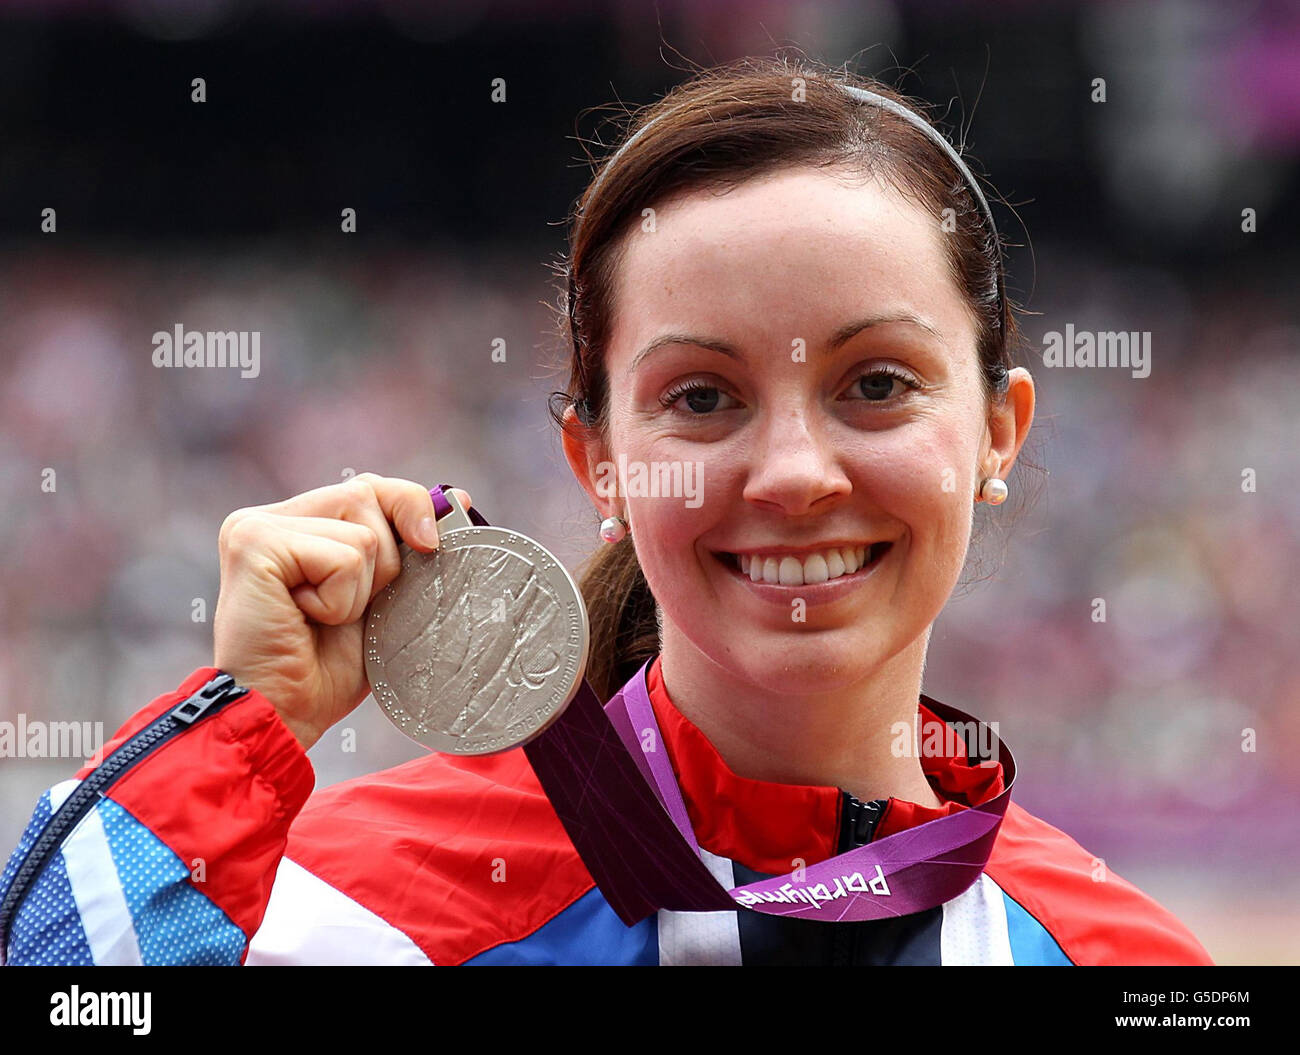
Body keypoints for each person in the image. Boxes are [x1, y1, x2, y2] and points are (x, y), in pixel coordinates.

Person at [0, 56, 1212, 966]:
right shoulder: (344, 914)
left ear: (998, 431)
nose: (793, 472)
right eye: (701, 394)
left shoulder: (1127, 962)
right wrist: (237, 730)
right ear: (599, 462)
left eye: (876, 383)